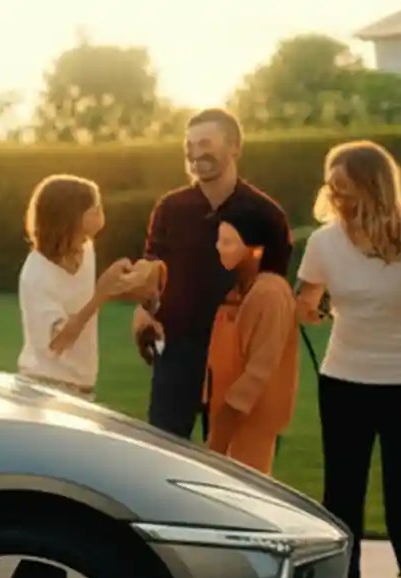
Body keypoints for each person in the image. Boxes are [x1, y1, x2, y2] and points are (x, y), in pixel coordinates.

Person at [295, 140, 401, 578]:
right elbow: (308, 300)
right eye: (333, 190)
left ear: (375, 188)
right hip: (343, 377)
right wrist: (307, 308)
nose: (338, 200)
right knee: (342, 489)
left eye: (347, 191)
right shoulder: (325, 242)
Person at [132, 108, 292, 439]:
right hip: (175, 350)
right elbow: (152, 267)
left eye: (205, 143)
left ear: (234, 147)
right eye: (188, 145)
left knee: (237, 468)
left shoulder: (266, 215)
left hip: (237, 355)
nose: (194, 152)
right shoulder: (170, 208)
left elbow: (274, 293)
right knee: (163, 453)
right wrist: (143, 310)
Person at [16, 174, 151, 401]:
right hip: (46, 389)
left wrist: (128, 282)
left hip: (81, 387)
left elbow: (88, 299)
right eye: (94, 208)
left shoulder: (86, 248)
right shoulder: (37, 273)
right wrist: (101, 294)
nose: (101, 212)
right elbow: (58, 343)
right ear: (71, 217)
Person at [203, 200, 298, 475]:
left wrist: (219, 437)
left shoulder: (269, 293)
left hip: (249, 420)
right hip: (226, 415)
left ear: (256, 250)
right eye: (219, 240)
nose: (219, 248)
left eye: (228, 242)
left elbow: (258, 372)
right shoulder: (237, 291)